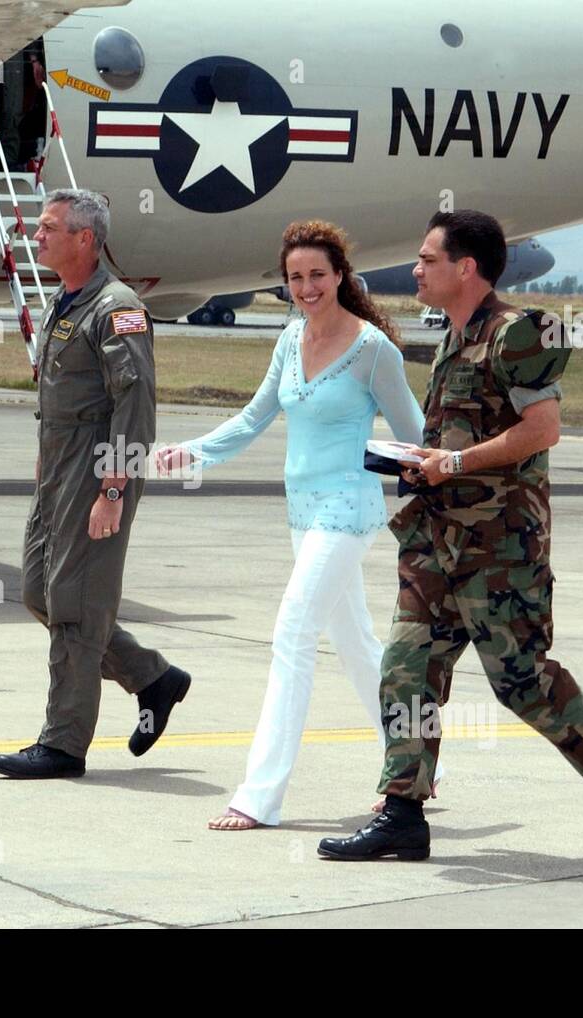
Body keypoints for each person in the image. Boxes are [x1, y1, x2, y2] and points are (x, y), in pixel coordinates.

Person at [317, 210, 583, 862]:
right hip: (438, 540)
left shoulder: (519, 334)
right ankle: (404, 813)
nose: (414, 270)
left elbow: (543, 429)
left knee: (520, 679)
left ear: (465, 268)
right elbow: (467, 433)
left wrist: (457, 462)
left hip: (500, 546)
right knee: (407, 668)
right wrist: (423, 455)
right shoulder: (454, 335)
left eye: (426, 259)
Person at [156, 220, 438, 830]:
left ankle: (259, 796)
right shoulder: (288, 340)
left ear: (340, 276)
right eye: (295, 278)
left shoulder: (373, 350)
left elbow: (417, 436)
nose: (306, 287)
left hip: (348, 509)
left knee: (292, 633)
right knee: (358, 645)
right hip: (302, 511)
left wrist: (441, 488)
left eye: (316, 274)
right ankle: (416, 763)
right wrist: (193, 451)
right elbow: (254, 418)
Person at [0, 188, 191, 780]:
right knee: (40, 593)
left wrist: (112, 490)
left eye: (50, 228)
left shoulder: (117, 307)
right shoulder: (66, 301)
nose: (37, 236)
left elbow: (136, 407)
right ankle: (152, 676)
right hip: (58, 472)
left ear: (85, 238)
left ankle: (63, 744)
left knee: (75, 609)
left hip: (98, 472)